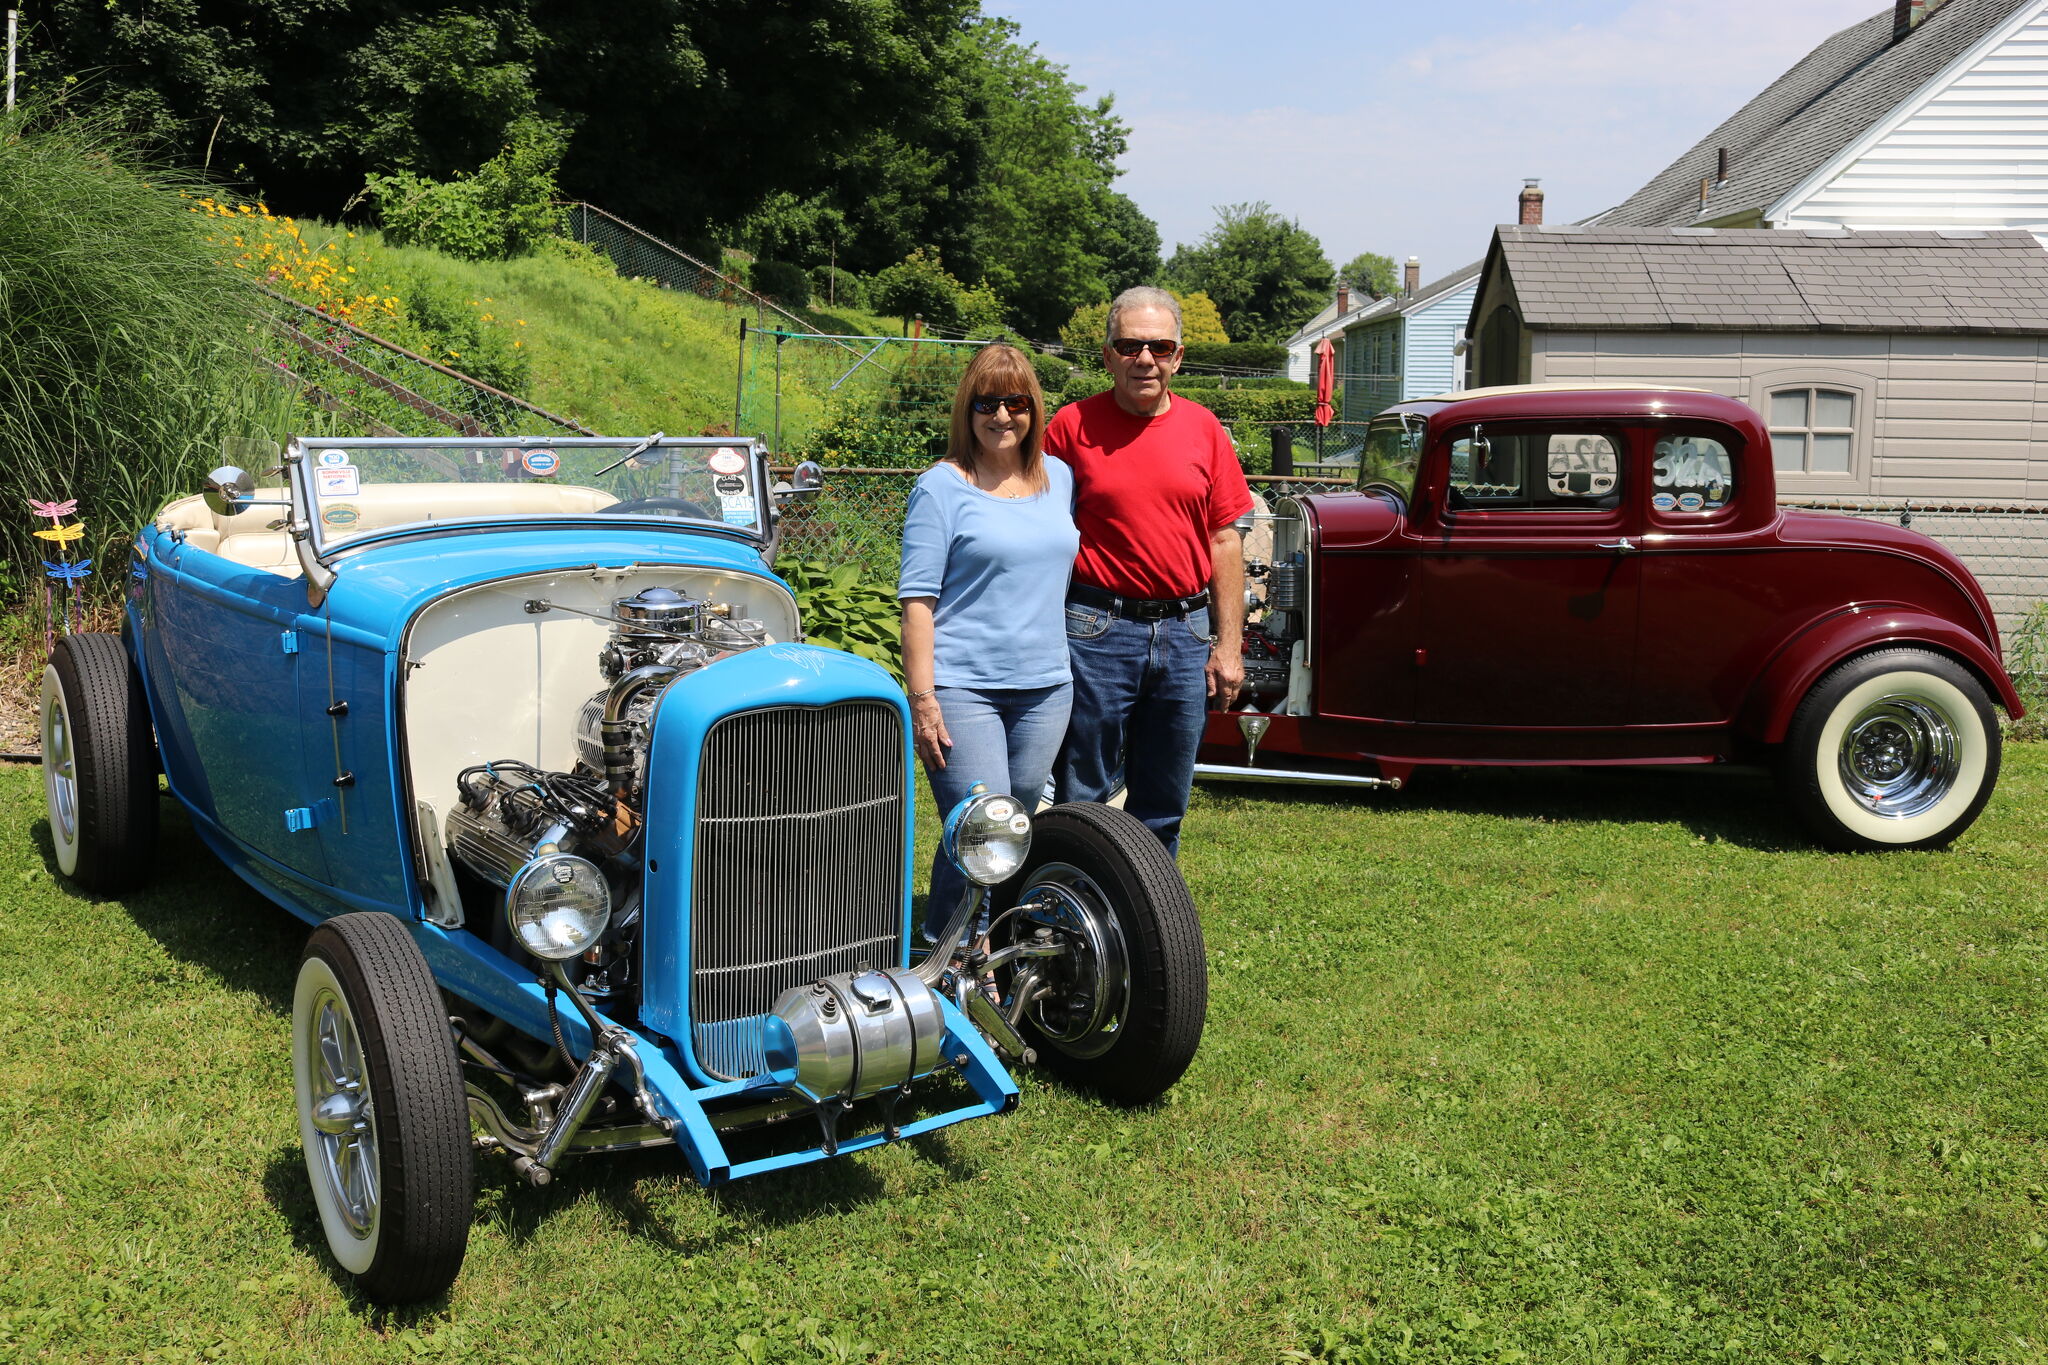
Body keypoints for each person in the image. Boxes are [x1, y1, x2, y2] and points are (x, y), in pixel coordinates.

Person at [1046, 286, 1251, 855]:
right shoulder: (1070, 426)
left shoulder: (1204, 429)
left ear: (1177, 357)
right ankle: (1075, 897)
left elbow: (1224, 540)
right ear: (1108, 355)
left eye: (1159, 347)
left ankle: (1151, 907)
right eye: (1129, 346)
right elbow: (1037, 526)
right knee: (1083, 791)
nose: (1145, 359)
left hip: (1186, 634)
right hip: (1095, 629)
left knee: (1164, 801)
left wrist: (1228, 648)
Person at [898, 343, 1078, 940]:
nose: (1002, 416)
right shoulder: (941, 487)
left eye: (1015, 403)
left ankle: (988, 943)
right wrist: (923, 699)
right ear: (967, 410)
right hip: (963, 688)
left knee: (1013, 824)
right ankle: (949, 953)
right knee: (979, 823)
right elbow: (917, 603)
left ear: (1034, 408)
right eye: (986, 403)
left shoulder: (1059, 479)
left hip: (1046, 687)